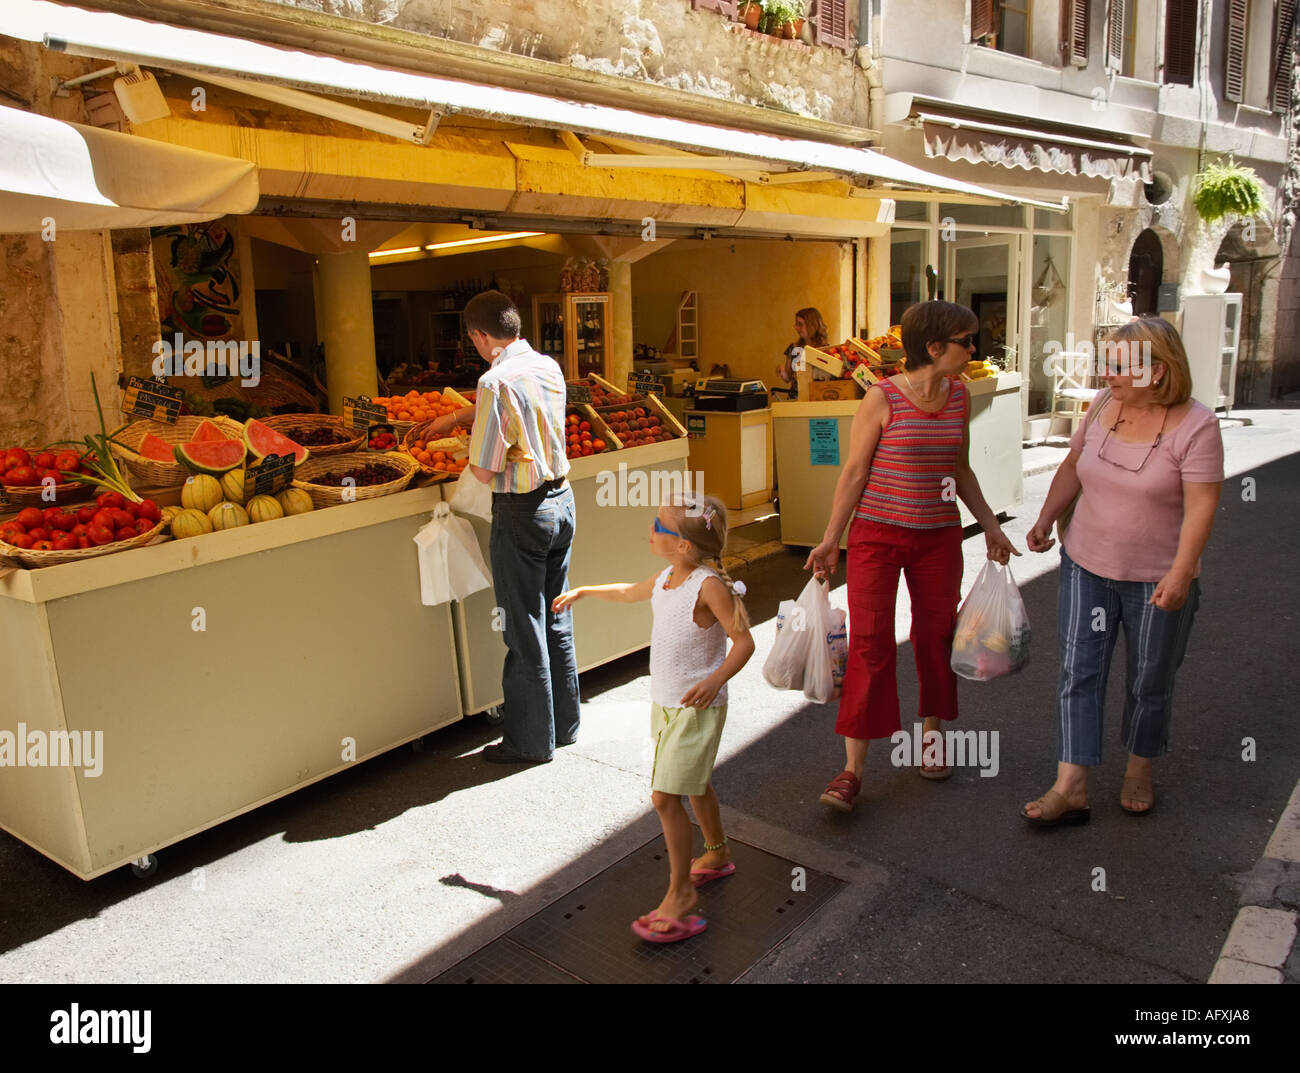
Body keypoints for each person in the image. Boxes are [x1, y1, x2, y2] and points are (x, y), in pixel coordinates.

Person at [805, 301, 1018, 812]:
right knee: (872, 643)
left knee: (935, 635)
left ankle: (931, 735)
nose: (974, 349)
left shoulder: (960, 395)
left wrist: (989, 526)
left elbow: (960, 468)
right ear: (934, 347)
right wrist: (832, 538)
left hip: (938, 538)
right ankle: (852, 770)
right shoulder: (882, 399)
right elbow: (855, 472)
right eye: (966, 341)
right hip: (877, 537)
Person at [1022, 317, 1223, 824]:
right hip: (1086, 564)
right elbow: (1073, 467)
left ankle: (1140, 765)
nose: (1104, 372)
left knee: (1149, 679)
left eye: (1117, 365)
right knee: (1078, 672)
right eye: (1105, 361)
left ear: (1157, 372)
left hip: (1157, 576)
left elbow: (1201, 507)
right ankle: (1071, 786)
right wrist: (1046, 516)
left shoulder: (1197, 425)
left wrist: (1181, 573)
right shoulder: (1103, 405)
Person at [552, 494, 755, 943]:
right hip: (663, 702)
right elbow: (629, 592)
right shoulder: (668, 577)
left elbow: (744, 642)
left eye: (657, 525)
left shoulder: (708, 586)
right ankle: (717, 854)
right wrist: (585, 591)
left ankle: (680, 895)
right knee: (694, 784)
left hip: (695, 708)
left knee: (666, 797)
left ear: (683, 545)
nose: (649, 529)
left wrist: (714, 680)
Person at [428, 290, 579, 764]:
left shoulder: (494, 381)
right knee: (557, 616)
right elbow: (518, 407)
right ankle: (565, 725)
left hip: (521, 511)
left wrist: (460, 453)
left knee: (523, 627)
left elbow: (485, 468)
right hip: (562, 504)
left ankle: (530, 741)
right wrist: (458, 416)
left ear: (479, 335)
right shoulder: (546, 366)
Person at [774, 307, 830, 398]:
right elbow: (788, 378)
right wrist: (782, 371)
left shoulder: (826, 349)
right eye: (796, 324)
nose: (796, 328)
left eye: (800, 324)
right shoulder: (794, 349)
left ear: (812, 325)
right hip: (797, 398)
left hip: (817, 397)